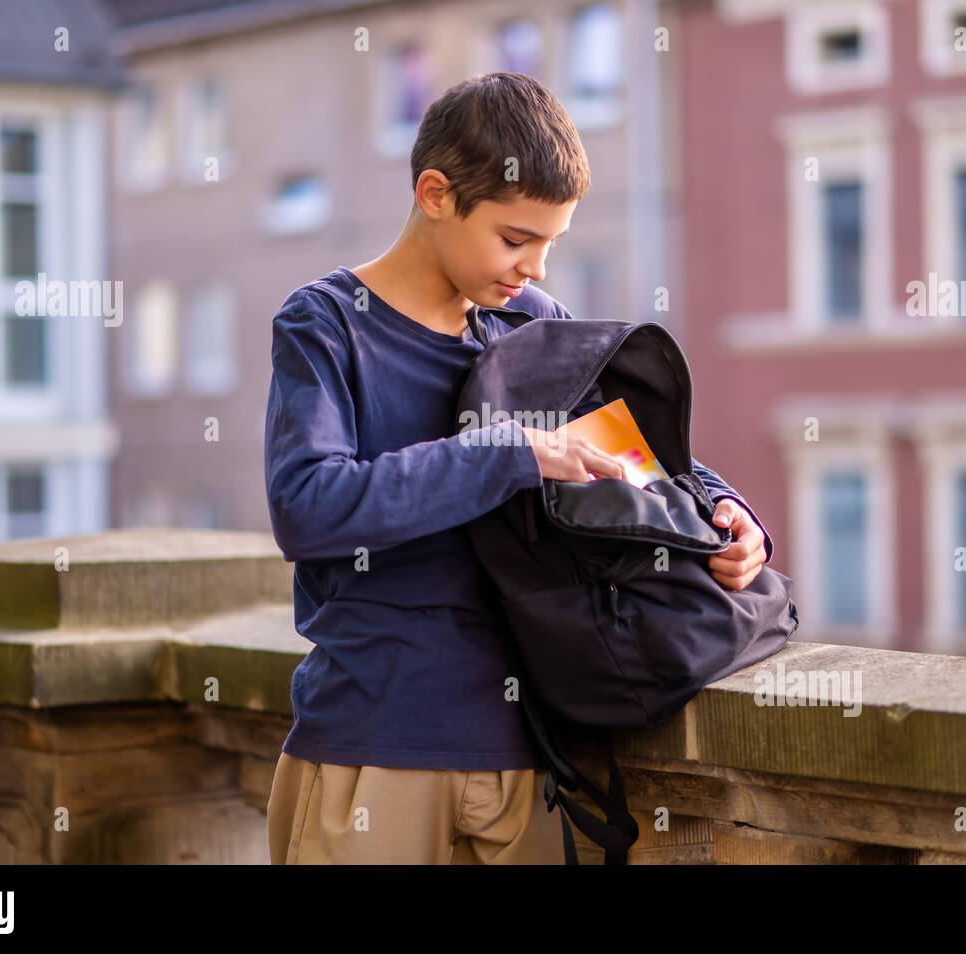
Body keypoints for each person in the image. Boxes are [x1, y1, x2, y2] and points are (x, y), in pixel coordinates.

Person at [263, 72, 773, 865]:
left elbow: (638, 458)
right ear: (435, 193)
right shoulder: (326, 324)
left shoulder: (531, 322)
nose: (534, 267)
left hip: (534, 756)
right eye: (513, 238)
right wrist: (515, 455)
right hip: (374, 749)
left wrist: (724, 512)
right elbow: (307, 506)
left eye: (550, 243)